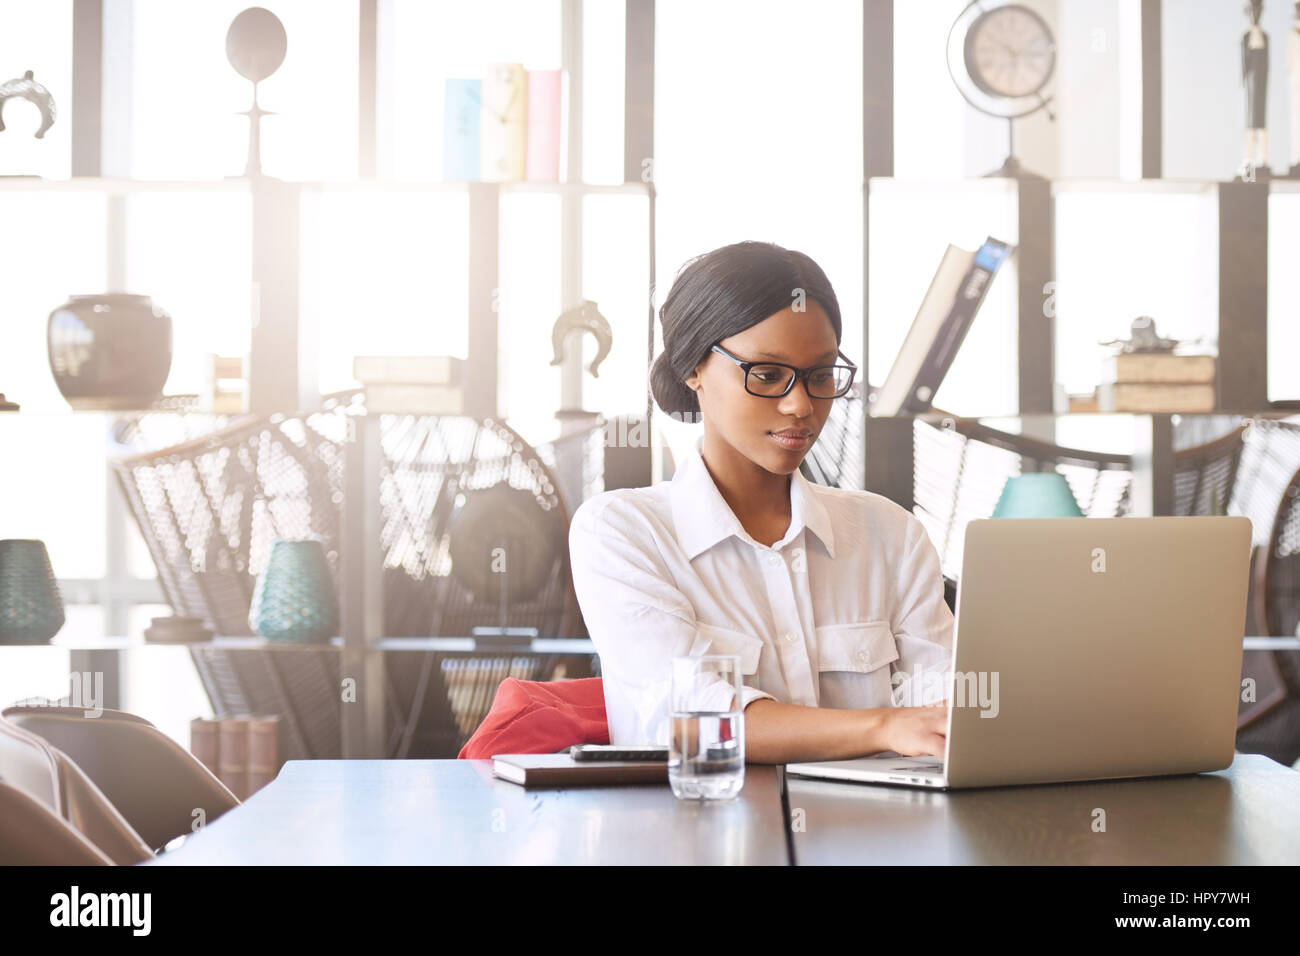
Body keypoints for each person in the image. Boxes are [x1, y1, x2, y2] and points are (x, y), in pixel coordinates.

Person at [568, 241, 954, 764]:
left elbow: (943, 715)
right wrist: (885, 726)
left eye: (820, 376)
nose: (801, 405)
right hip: (696, 838)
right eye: (768, 375)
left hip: (872, 838)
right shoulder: (622, 532)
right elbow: (691, 722)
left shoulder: (891, 534)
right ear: (693, 368)